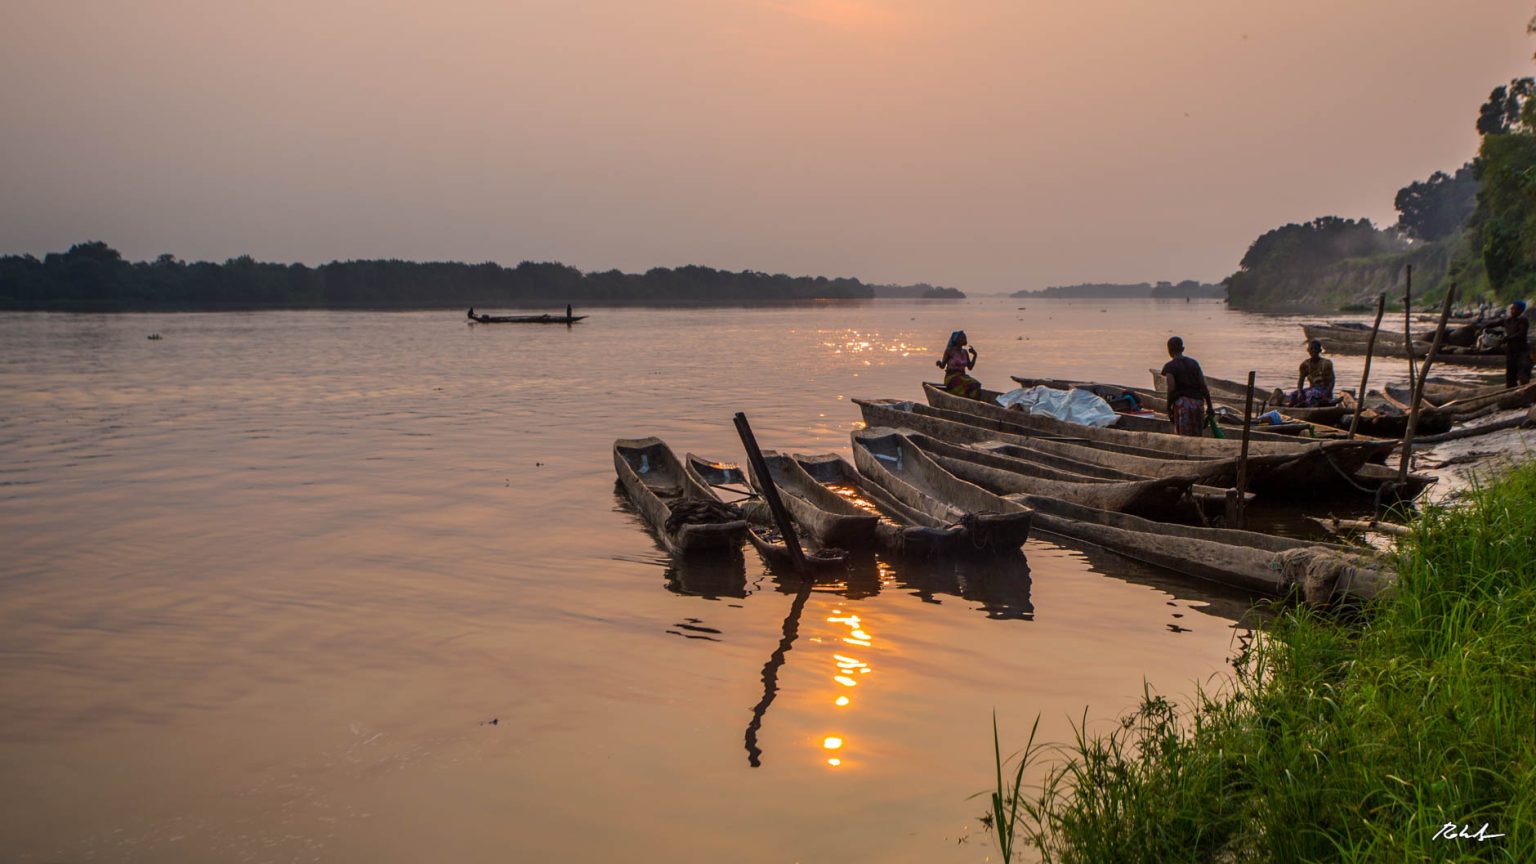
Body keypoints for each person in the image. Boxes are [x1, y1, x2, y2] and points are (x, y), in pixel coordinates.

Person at [1160, 336, 1214, 436]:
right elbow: (1203, 386)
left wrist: (1168, 407)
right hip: (1198, 403)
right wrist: (1210, 406)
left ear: (1169, 350)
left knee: (1183, 437)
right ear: (1183, 349)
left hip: (1183, 406)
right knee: (1197, 436)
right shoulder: (1194, 363)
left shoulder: (1170, 366)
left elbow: (1171, 389)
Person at [1484, 300, 1531, 388]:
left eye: (1514, 309)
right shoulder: (1507, 320)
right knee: (1510, 375)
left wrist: (1507, 339)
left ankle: (1525, 389)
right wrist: (1483, 326)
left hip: (1521, 351)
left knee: (1523, 373)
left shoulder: (1523, 320)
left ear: (1520, 310)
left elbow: (1521, 334)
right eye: (1511, 308)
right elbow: (1494, 323)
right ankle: (1511, 391)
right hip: (1511, 350)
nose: (1511, 310)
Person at [1286, 339, 1337, 406]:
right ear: (1308, 350)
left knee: (1311, 395)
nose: (1313, 351)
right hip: (1312, 389)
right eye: (1311, 349)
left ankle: (1307, 404)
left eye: (1315, 349)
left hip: (1324, 390)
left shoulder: (1326, 363)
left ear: (1320, 350)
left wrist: (1327, 393)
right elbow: (1301, 381)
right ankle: (1300, 405)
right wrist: (1300, 392)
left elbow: (1332, 380)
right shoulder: (1305, 365)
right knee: (1293, 395)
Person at [936, 330, 981, 399]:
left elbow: (970, 367)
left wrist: (975, 355)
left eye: (965, 337)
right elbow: (942, 366)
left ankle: (968, 399)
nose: (965, 339)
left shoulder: (965, 352)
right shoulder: (949, 351)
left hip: (963, 377)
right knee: (970, 386)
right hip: (951, 378)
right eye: (962, 338)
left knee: (976, 384)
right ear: (956, 340)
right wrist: (939, 363)